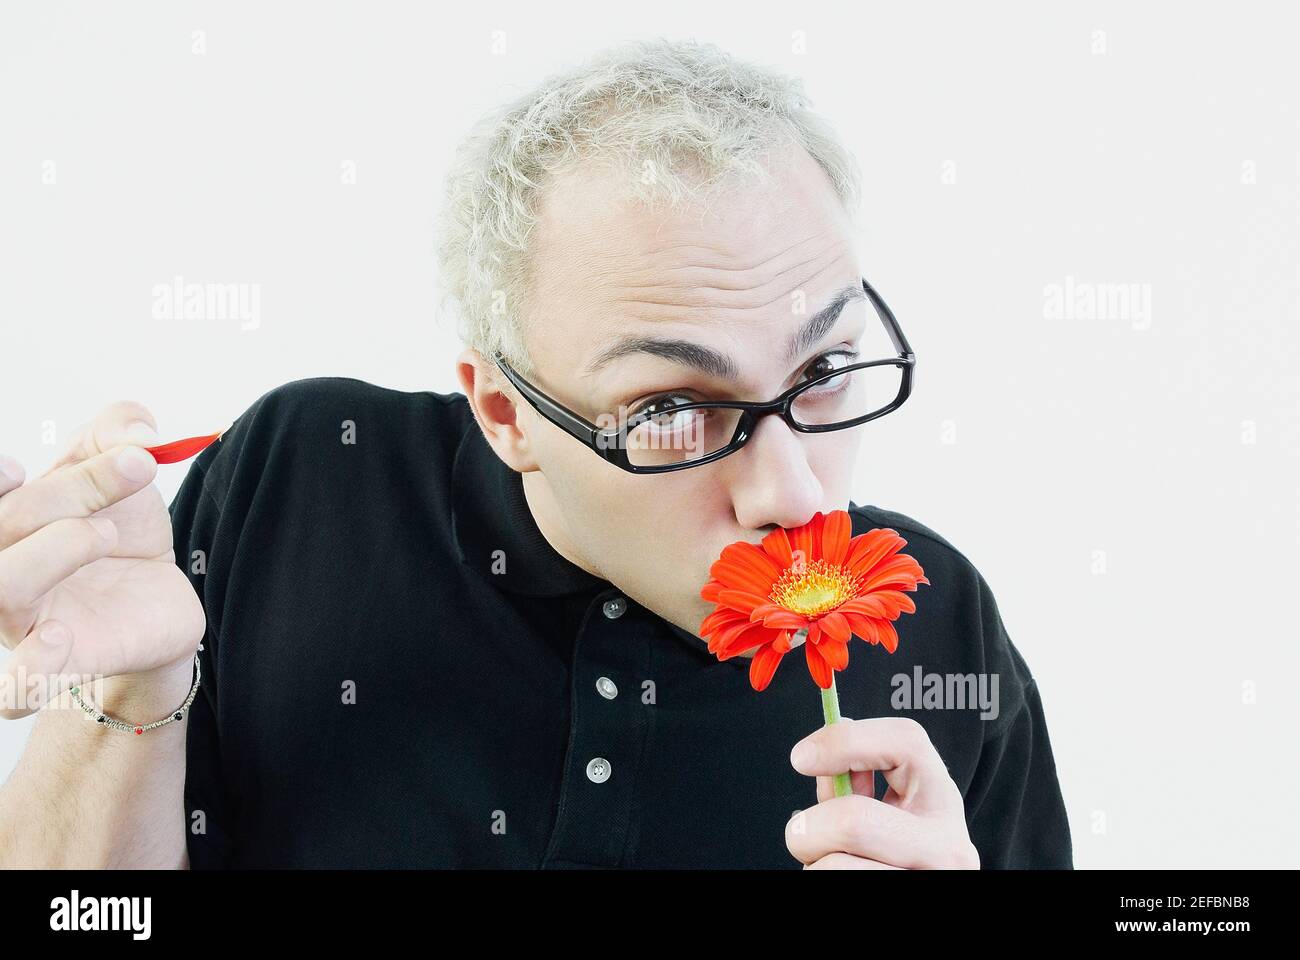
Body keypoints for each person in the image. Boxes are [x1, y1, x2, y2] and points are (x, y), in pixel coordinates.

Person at [0, 38, 1071, 869]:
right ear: (505, 414)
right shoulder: (303, 480)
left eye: (822, 370)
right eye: (668, 408)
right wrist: (131, 700)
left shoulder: (940, 629)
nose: (791, 496)